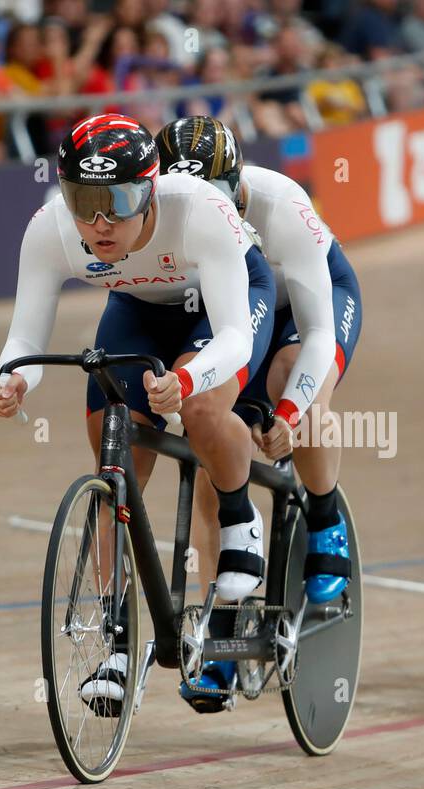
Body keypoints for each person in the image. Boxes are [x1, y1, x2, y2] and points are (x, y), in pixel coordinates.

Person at [0, 113, 276, 714]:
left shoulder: (200, 210)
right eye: (83, 202)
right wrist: (13, 379)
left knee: (199, 405)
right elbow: (24, 338)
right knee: (113, 454)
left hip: (224, 303)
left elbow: (234, 340)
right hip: (139, 307)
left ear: (149, 189)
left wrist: (190, 376)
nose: (99, 222)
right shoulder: (51, 230)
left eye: (117, 201)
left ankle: (239, 520)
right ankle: (118, 642)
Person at [155, 116, 362, 640]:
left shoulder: (283, 205)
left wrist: (290, 412)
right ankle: (221, 618)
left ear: (237, 183)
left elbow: (317, 334)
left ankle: (323, 513)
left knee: (295, 381)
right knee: (213, 457)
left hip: (309, 307)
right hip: (245, 314)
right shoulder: (170, 213)